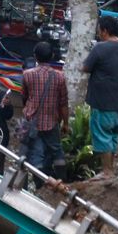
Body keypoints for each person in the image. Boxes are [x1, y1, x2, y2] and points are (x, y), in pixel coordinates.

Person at [82, 15, 118, 175]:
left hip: (103, 101)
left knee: (103, 136)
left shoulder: (100, 48)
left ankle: (106, 171)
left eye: (99, 30)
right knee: (113, 136)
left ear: (104, 31)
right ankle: (109, 169)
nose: (98, 33)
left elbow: (85, 68)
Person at [21, 41, 69, 178]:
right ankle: (62, 180)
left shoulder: (27, 75)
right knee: (57, 150)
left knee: (36, 153)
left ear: (35, 56)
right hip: (51, 122)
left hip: (32, 121)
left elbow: (24, 98)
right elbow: (63, 103)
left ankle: (38, 182)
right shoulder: (60, 76)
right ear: (52, 55)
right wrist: (65, 123)